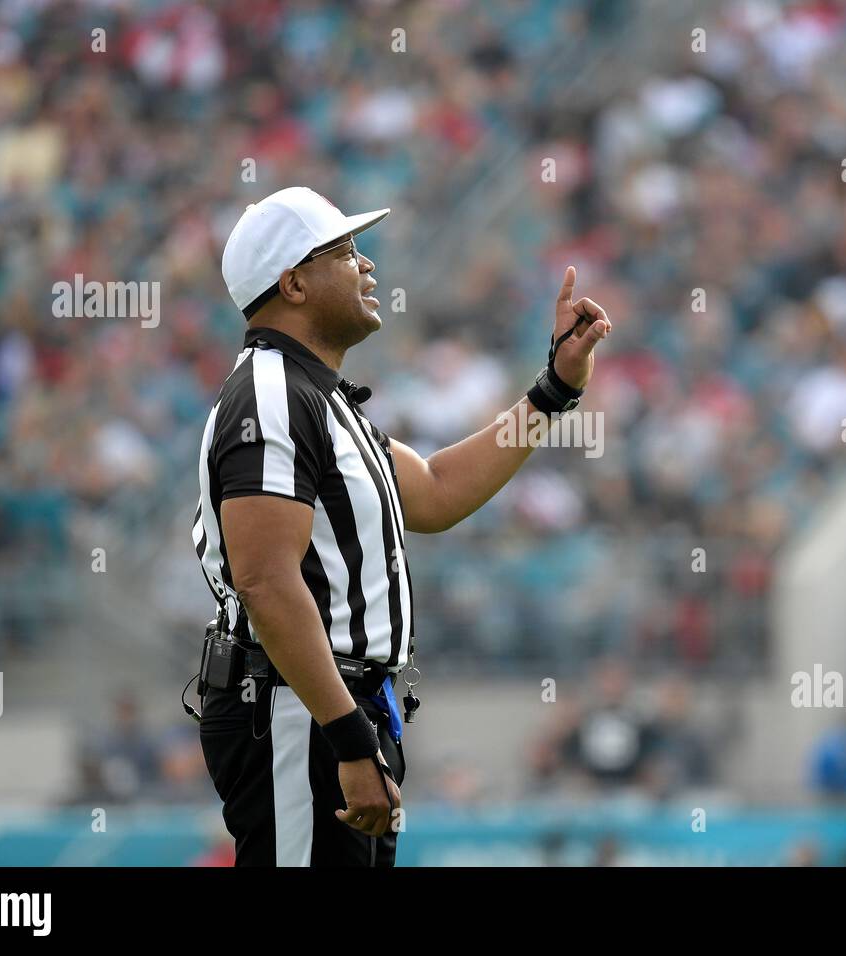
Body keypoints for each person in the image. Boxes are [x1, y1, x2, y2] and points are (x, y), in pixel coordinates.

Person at [192, 186, 611, 865]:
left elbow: (437, 492)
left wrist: (553, 389)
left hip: (329, 707)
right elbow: (266, 579)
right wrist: (349, 738)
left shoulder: (321, 400)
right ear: (292, 282)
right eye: (346, 253)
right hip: (299, 708)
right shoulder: (270, 393)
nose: (368, 267)